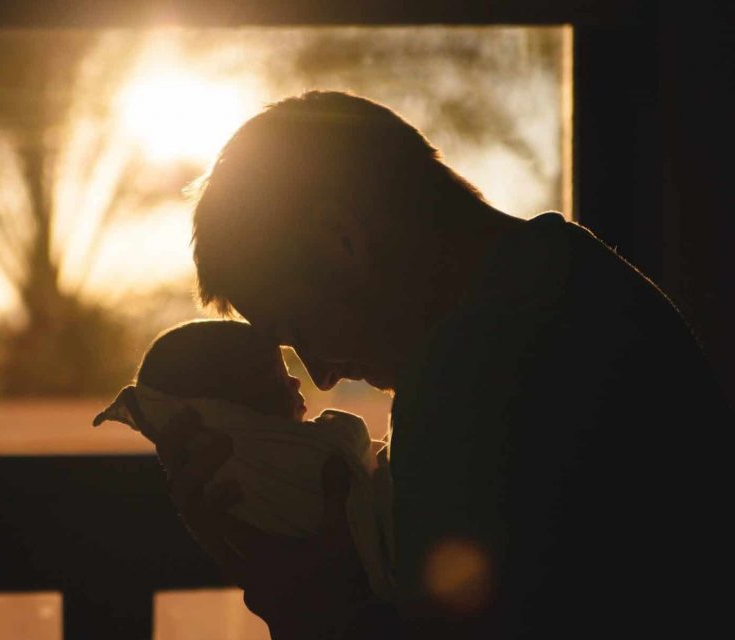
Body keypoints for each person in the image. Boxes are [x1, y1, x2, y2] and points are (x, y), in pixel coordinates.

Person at [153, 91, 732, 638]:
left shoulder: (469, 379)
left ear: (340, 242)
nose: (321, 375)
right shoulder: (574, 283)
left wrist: (295, 594)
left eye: (297, 330)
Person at [93, 319, 397, 603]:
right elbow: (352, 443)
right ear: (225, 410)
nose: (297, 381)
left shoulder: (216, 482)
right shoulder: (290, 457)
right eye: (275, 375)